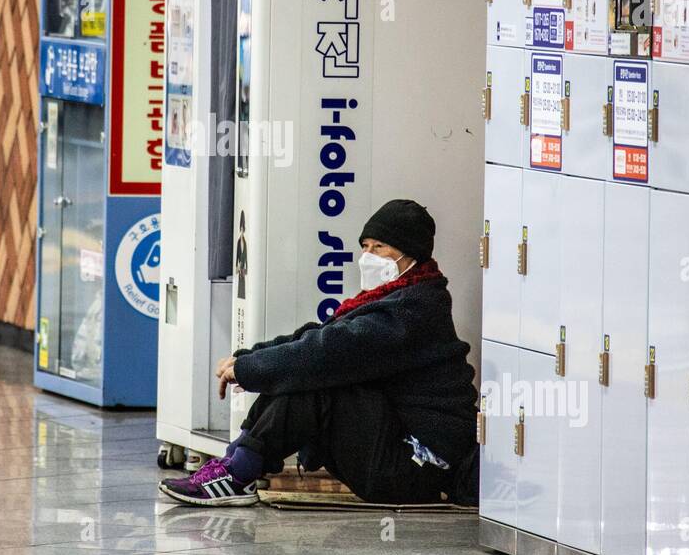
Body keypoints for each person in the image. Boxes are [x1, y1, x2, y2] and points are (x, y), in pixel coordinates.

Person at [160, 199, 479, 507]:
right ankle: (236, 464)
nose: (368, 256)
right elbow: (320, 335)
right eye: (365, 246)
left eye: (379, 247)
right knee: (311, 369)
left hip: (420, 465)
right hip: (397, 450)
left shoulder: (415, 311)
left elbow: (329, 351)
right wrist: (248, 358)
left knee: (319, 377)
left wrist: (252, 368)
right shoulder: (393, 299)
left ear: (411, 255)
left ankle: (238, 473)